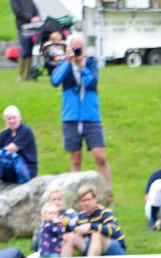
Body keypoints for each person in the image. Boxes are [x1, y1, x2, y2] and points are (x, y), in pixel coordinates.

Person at [51, 34, 110, 186]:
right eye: (74, 48)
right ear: (68, 49)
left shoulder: (90, 62)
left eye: (80, 49)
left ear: (84, 49)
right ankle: (76, 193)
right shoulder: (64, 63)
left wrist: (82, 66)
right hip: (71, 117)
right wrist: (68, 63)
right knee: (75, 159)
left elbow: (92, 84)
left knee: (100, 157)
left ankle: (108, 194)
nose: (77, 51)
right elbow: (55, 81)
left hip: (91, 116)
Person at [60, 184, 125, 258]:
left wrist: (91, 226)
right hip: (93, 249)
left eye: (88, 199)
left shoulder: (105, 213)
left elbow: (113, 231)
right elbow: (74, 233)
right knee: (69, 236)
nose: (86, 203)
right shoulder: (81, 216)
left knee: (96, 235)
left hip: (114, 249)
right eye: (83, 201)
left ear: (95, 199)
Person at [11, 0, 41, 82]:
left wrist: (37, 16)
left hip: (32, 27)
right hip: (22, 27)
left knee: (30, 50)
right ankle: (20, 75)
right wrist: (31, 18)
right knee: (25, 50)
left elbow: (35, 9)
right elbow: (18, 12)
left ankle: (27, 76)